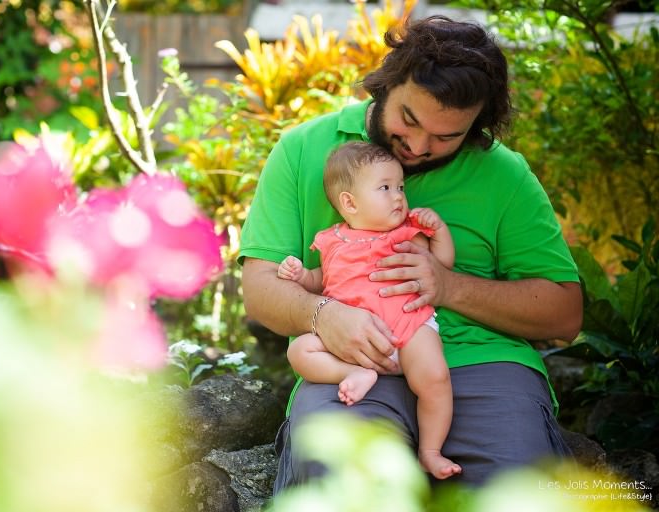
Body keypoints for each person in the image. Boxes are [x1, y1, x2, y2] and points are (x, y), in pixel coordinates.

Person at [239, 15, 583, 489]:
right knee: (342, 484)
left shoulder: (506, 175)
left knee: (513, 488)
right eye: (410, 119)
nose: (418, 146)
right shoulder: (302, 150)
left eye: (447, 136)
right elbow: (260, 290)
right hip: (352, 366)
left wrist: (448, 286)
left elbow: (565, 313)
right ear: (387, 83)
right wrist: (322, 314)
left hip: (484, 367)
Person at [277, 141, 461, 479]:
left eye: (400, 187)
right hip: (352, 343)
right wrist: (301, 275)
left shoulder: (407, 234)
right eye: (385, 188)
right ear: (350, 203)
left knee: (435, 377)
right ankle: (351, 374)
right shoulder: (332, 240)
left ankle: (430, 451)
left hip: (408, 329)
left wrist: (439, 231)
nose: (398, 197)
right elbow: (321, 279)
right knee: (300, 351)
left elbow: (442, 263)